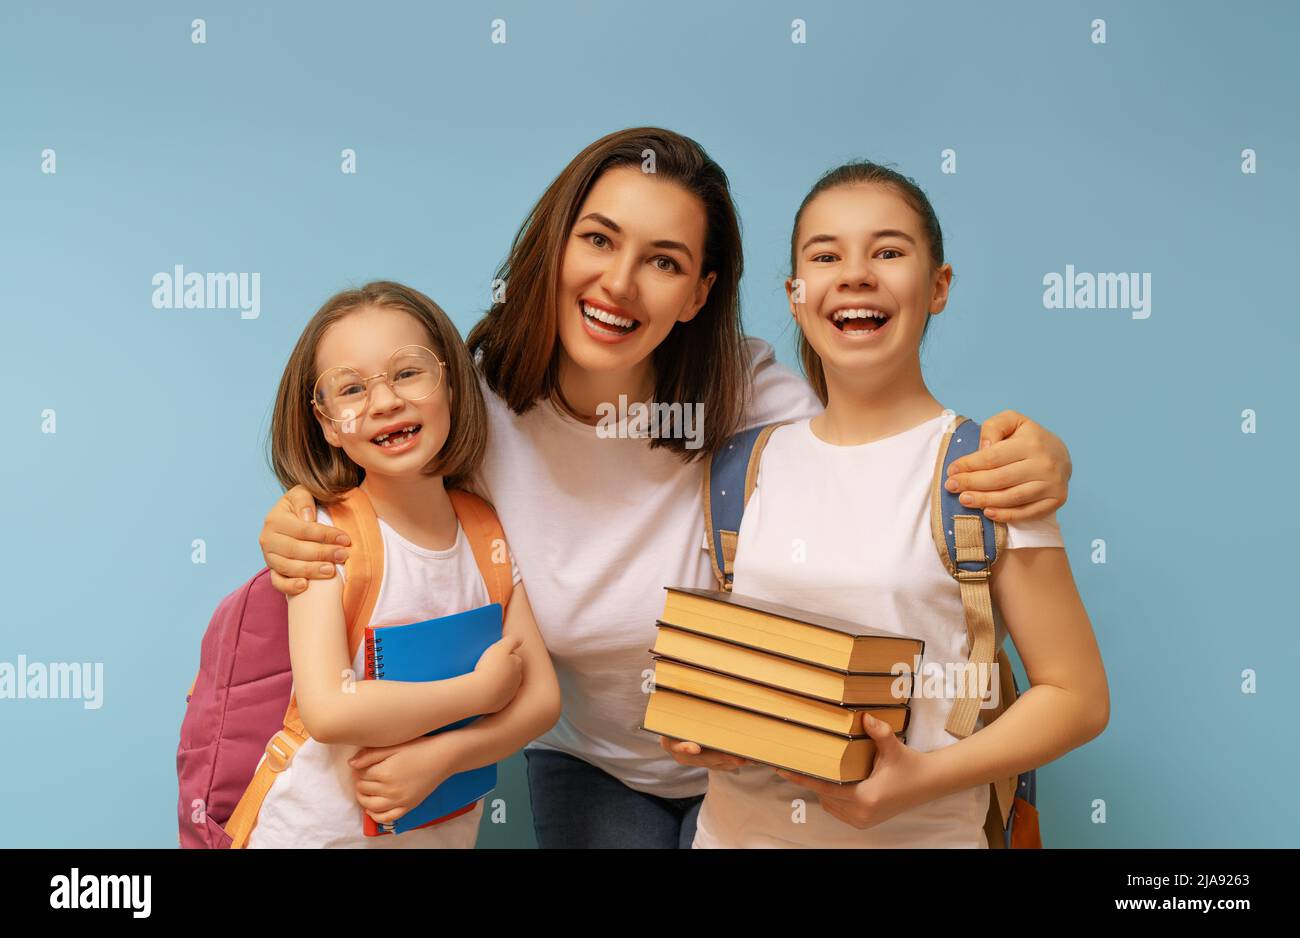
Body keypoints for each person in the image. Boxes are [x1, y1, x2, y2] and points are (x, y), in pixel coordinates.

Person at [255, 129, 1075, 848]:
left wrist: (1035, 453)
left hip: (766, 756)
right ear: (555, 246)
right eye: (599, 241)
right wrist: (297, 511)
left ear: (698, 294)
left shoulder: (749, 394)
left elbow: (877, 443)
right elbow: (380, 478)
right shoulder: (478, 407)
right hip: (595, 764)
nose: (620, 283)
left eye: (664, 262)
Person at [666, 161, 1108, 848]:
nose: (855, 273)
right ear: (795, 293)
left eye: (889, 251)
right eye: (826, 255)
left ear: (938, 287)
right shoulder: (738, 465)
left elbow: (1077, 698)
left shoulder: (989, 468)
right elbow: (718, 662)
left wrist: (921, 779)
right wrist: (698, 729)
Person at [248, 281, 560, 848]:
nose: (385, 401)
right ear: (326, 424)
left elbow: (541, 699)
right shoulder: (324, 537)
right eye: (350, 389)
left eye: (408, 372)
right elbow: (328, 710)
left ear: (452, 384)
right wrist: (476, 696)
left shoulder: (485, 531)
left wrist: (447, 755)